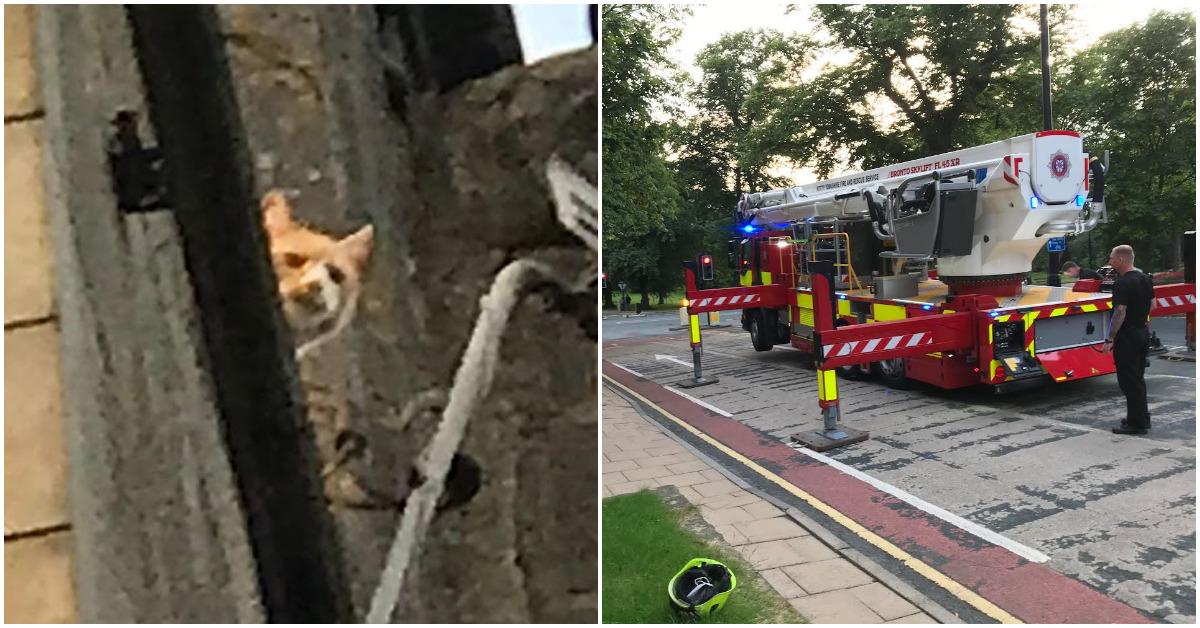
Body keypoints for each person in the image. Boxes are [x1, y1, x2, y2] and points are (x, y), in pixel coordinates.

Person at [1101, 245, 1154, 435]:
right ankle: (1139, 418)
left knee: (1128, 381)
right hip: (1142, 332)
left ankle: (1137, 424)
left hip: (1128, 336)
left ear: (1121, 260)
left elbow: (1120, 312)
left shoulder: (1122, 283)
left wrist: (1110, 338)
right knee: (1137, 379)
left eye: (1111, 258)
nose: (1110, 261)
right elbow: (1152, 304)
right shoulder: (1144, 279)